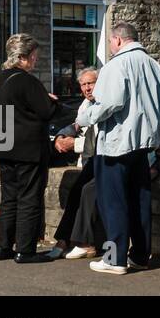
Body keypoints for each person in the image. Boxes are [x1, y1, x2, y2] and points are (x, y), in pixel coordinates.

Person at [76, 22, 160, 276]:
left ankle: (115, 259)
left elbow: (110, 103)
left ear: (117, 40)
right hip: (144, 143)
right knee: (139, 199)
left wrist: (83, 118)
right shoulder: (152, 64)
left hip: (117, 144)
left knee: (112, 201)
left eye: (110, 42)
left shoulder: (116, 65)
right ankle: (140, 255)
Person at [0, 34, 60, 263]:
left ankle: (4, 246)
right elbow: (46, 112)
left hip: (3, 145)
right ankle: (25, 250)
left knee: (9, 198)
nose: (35, 61)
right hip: (27, 148)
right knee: (29, 198)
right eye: (33, 56)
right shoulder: (27, 81)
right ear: (22, 57)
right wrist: (52, 100)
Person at [52, 68, 103, 259]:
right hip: (89, 161)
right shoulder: (84, 104)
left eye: (91, 83)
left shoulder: (103, 103)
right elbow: (76, 125)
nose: (87, 88)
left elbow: (99, 140)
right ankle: (64, 239)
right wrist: (60, 136)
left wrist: (74, 144)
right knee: (75, 190)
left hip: (102, 159)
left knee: (87, 191)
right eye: (83, 84)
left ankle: (85, 243)